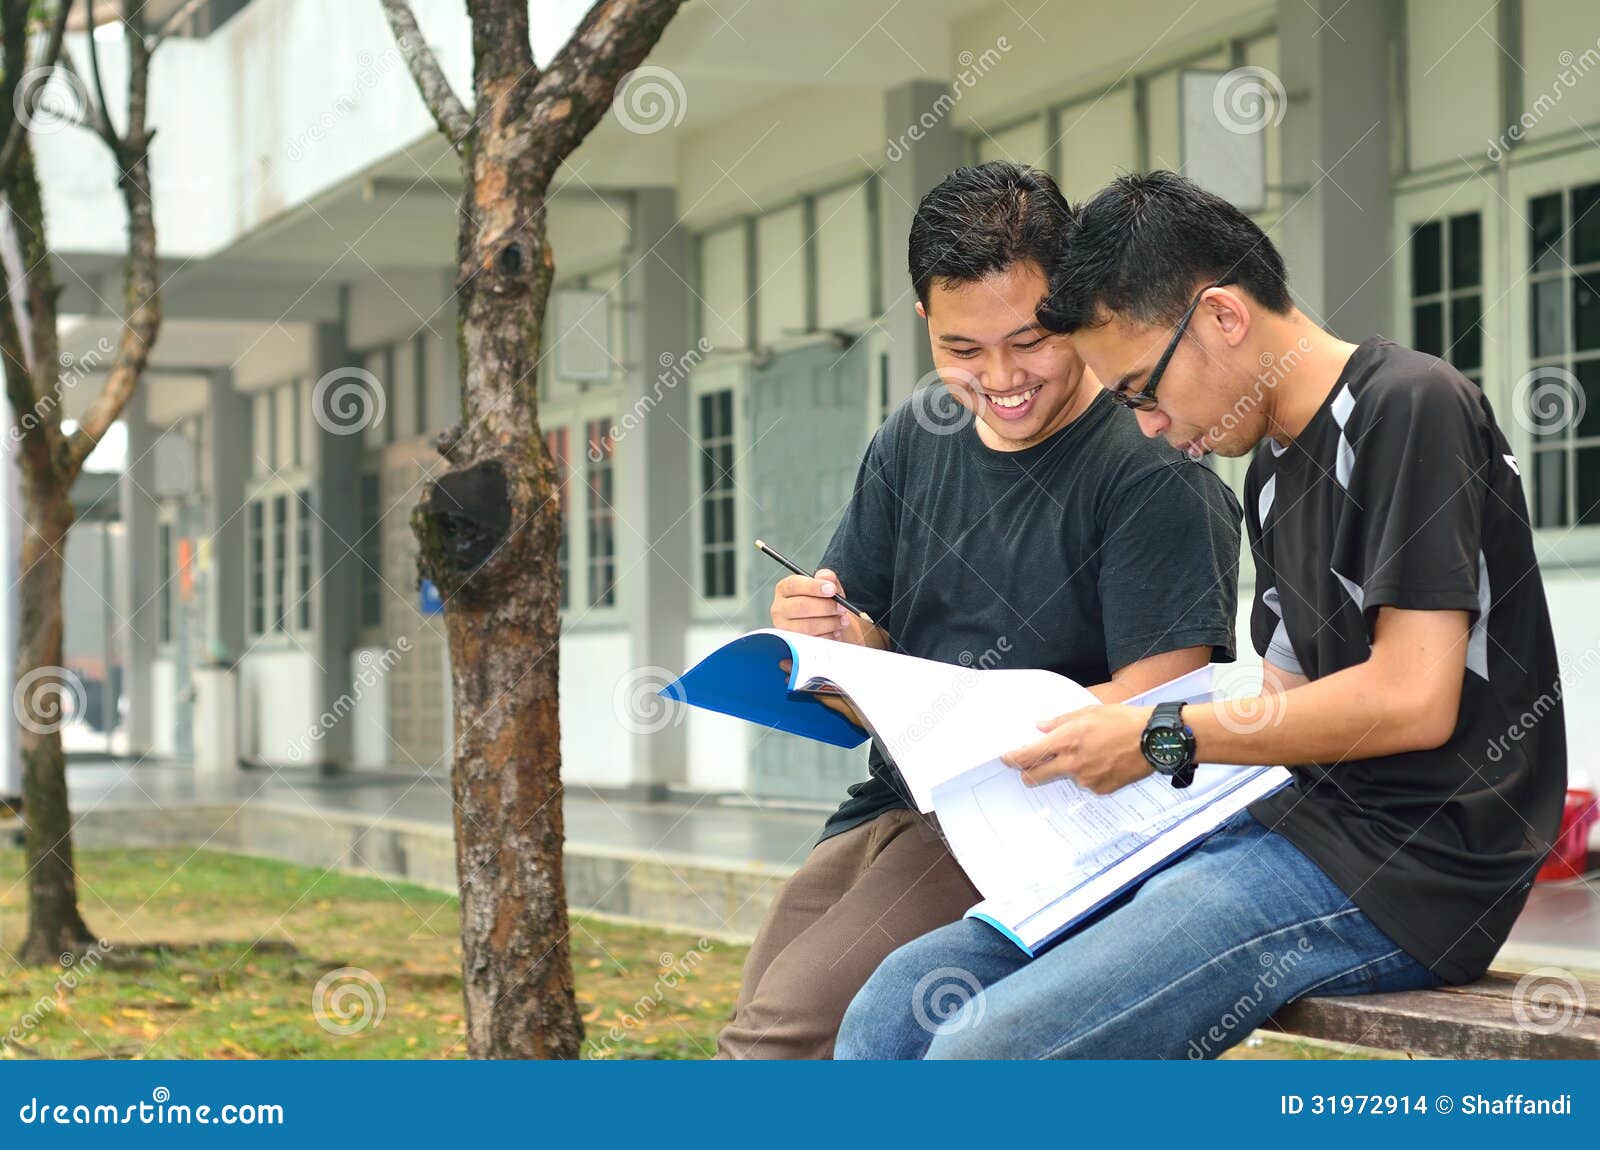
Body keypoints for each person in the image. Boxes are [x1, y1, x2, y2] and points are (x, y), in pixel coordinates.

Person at [836, 170, 1566, 1060]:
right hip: (1291, 831)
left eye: (1142, 389)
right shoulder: (1272, 471)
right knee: (896, 1010)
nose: (1145, 425)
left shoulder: (1407, 407)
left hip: (1410, 870)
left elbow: (1414, 699)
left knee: (986, 1054)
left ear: (1222, 317)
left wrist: (1159, 736)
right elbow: (1285, 716)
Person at [716, 163, 1243, 1059]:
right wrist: (836, 636)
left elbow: (1168, 707)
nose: (1001, 377)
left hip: (1036, 818)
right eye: (964, 350)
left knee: (786, 1034)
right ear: (925, 322)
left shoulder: (1149, 469)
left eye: (1031, 338)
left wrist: (983, 726)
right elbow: (870, 641)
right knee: (758, 1022)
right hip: (899, 800)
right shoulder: (918, 437)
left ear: (1077, 301)